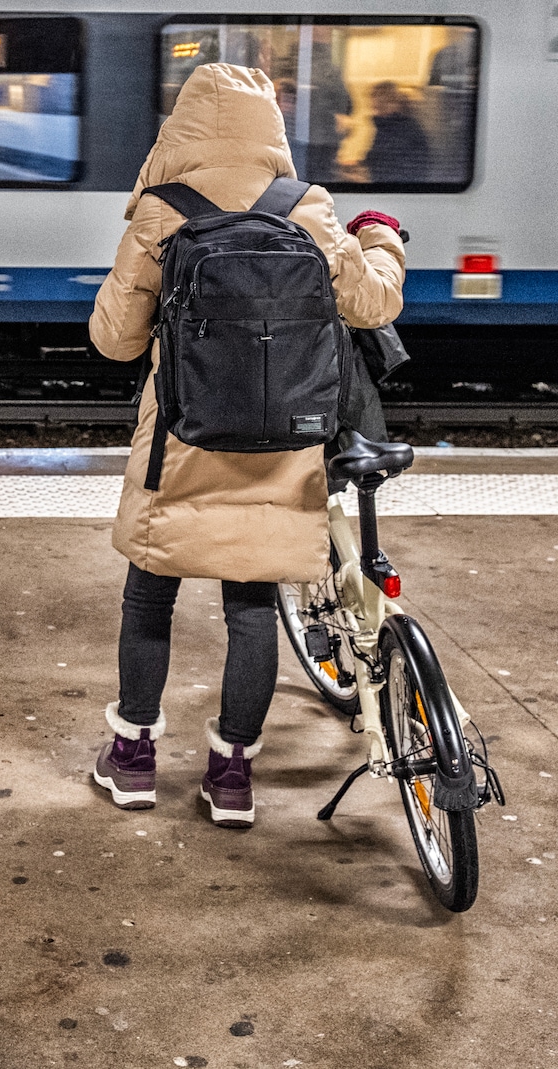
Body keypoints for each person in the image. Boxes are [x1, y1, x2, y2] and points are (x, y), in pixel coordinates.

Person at [85, 64, 408, 827]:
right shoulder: (306, 207)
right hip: (282, 447)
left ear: (183, 130)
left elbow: (113, 339)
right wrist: (381, 239)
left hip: (180, 445)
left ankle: (132, 759)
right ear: (271, 133)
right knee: (253, 605)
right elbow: (373, 303)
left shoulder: (164, 210)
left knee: (150, 595)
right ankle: (232, 775)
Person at [361, 79, 434, 185]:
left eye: (378, 108)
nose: (375, 113)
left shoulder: (403, 129)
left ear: (392, 104)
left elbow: (388, 162)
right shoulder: (387, 126)